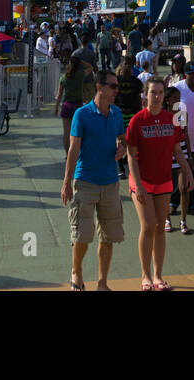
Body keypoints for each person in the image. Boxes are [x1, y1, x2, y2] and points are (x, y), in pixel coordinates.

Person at [61, 69, 127, 291]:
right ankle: (76, 271)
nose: (117, 90)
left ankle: (102, 282)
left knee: (107, 236)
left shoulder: (117, 114)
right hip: (86, 181)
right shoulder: (81, 114)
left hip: (110, 183)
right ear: (100, 87)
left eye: (117, 86)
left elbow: (122, 140)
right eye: (113, 86)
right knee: (82, 235)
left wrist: (122, 149)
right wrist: (66, 182)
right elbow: (73, 149)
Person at [126, 77, 193, 290]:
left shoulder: (169, 119)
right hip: (142, 181)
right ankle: (145, 276)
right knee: (148, 225)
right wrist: (138, 185)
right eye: (153, 92)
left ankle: (158, 276)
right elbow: (130, 155)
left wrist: (187, 170)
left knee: (160, 229)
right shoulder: (137, 120)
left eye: (160, 93)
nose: (157, 97)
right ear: (145, 94)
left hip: (164, 180)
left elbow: (176, 150)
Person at [172, 62, 194, 217]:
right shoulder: (177, 88)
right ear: (185, 75)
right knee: (177, 173)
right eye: (192, 74)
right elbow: (172, 112)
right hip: (179, 142)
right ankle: (173, 202)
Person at [164, 85, 193, 234]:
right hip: (166, 156)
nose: (178, 100)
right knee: (167, 189)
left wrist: (190, 154)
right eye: (175, 98)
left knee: (184, 188)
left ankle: (183, 221)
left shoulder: (182, 114)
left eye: (179, 98)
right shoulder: (161, 115)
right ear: (167, 100)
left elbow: (185, 135)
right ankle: (167, 219)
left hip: (182, 154)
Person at [57, 53, 95, 154]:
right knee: (78, 131)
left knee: (66, 132)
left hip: (66, 105)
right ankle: (77, 152)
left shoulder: (64, 78)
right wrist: (81, 61)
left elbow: (59, 94)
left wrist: (56, 107)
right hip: (77, 106)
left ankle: (67, 153)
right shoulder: (80, 74)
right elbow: (91, 67)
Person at [115, 60, 144, 178]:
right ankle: (120, 167)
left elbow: (139, 98)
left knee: (131, 139)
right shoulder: (116, 80)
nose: (127, 67)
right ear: (121, 67)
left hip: (132, 114)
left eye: (129, 65)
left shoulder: (136, 82)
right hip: (119, 114)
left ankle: (127, 159)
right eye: (125, 64)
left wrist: (138, 113)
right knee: (119, 140)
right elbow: (112, 96)